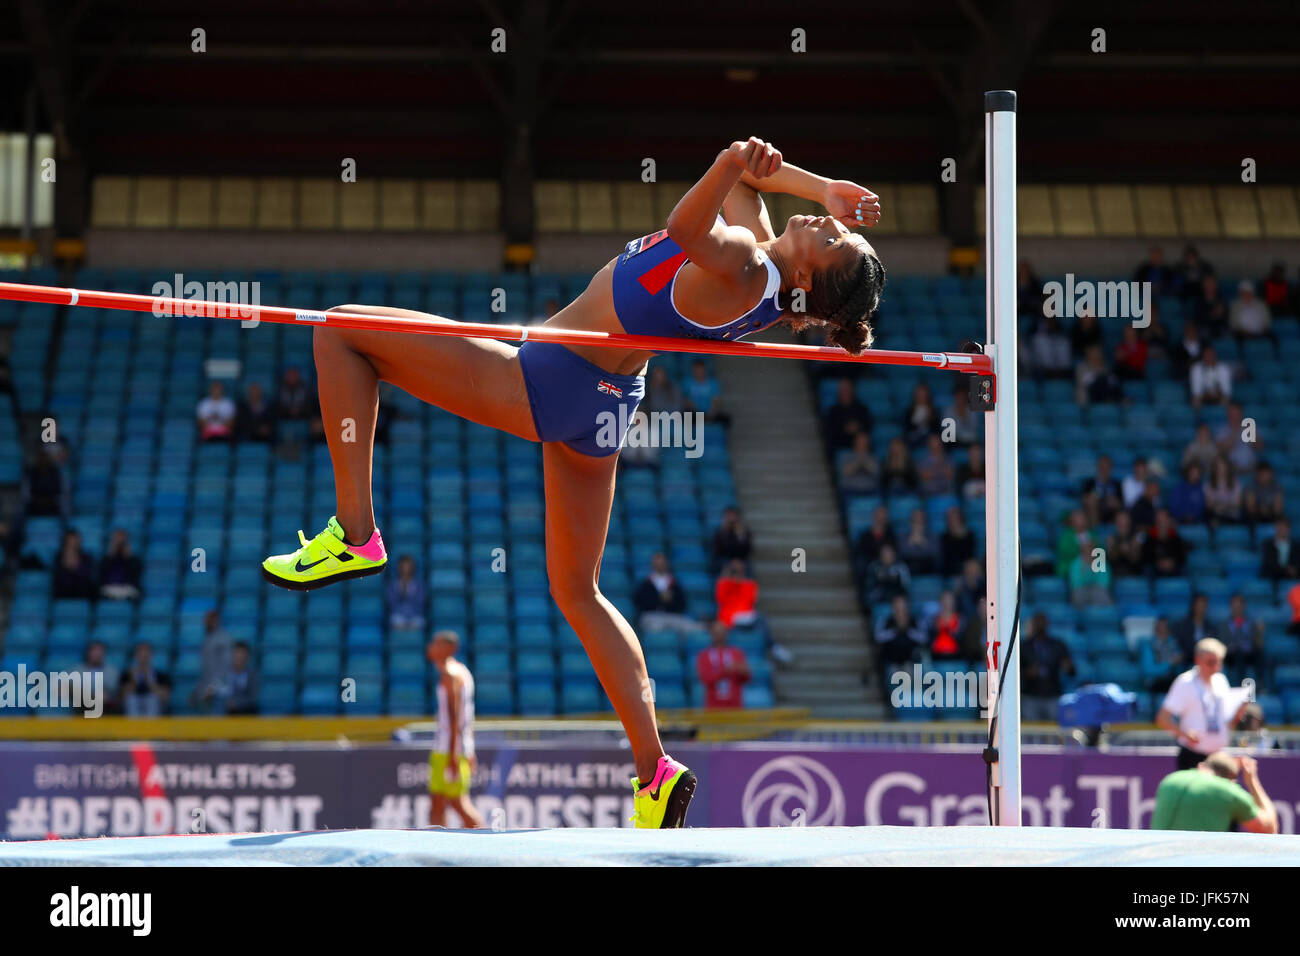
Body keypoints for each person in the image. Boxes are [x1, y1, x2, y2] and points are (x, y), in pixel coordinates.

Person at [259, 138, 885, 827]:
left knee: (340, 333)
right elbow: (749, 184)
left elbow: (710, 196)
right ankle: (653, 773)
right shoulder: (762, 269)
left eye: (833, 241)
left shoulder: (741, 263)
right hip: (608, 401)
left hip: (548, 380)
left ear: (809, 281)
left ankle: (354, 533)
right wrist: (820, 189)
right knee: (577, 592)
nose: (830, 225)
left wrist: (787, 177)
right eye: (835, 226)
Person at [1156, 638, 1250, 771]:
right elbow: (1162, 718)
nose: (1215, 668)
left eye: (1218, 662)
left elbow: (1226, 721)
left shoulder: (1221, 681)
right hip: (1192, 756)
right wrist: (1184, 734)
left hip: (1218, 756)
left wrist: (1238, 713)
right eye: (1210, 662)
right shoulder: (1185, 682)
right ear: (1197, 661)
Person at [427, 631, 483, 828]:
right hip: (450, 748)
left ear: (449, 649)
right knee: (437, 805)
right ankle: (435, 848)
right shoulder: (460, 672)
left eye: (437, 643)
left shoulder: (452, 676)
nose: (431, 647)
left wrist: (454, 754)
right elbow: (467, 719)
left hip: (449, 750)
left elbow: (455, 719)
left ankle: (484, 844)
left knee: (458, 804)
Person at [1150, 752, 1278, 834]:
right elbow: (1269, 829)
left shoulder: (1170, 780)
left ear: (1201, 766)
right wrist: (1252, 781)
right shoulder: (1229, 791)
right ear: (1232, 778)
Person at [1021, 613, 1075, 722]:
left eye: (1043, 622)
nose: (1040, 625)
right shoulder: (1023, 646)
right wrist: (1028, 672)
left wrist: (1068, 666)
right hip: (1031, 695)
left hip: (1052, 694)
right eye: (1037, 622)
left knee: (1054, 730)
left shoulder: (1057, 645)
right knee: (1032, 731)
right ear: (1033, 625)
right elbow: (1015, 673)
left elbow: (1071, 671)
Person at [633, 552, 703, 635]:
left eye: (662, 563)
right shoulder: (646, 583)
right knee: (655, 630)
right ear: (653, 564)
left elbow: (682, 604)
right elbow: (640, 602)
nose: (660, 565)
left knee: (693, 627)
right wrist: (659, 598)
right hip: (652, 616)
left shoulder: (674, 583)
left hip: (672, 616)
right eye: (657, 563)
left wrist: (670, 599)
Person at [191, 609, 234, 713]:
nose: (206, 622)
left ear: (216, 620)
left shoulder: (223, 638)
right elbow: (205, 669)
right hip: (206, 689)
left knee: (217, 723)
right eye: (205, 619)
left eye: (209, 619)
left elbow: (226, 665)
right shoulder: (207, 638)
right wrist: (198, 690)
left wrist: (213, 687)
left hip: (219, 689)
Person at [119, 643, 172, 717]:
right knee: (131, 700)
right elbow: (123, 698)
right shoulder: (127, 674)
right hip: (134, 703)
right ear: (136, 656)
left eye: (146, 656)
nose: (143, 659)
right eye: (141, 656)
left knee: (152, 700)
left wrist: (149, 679)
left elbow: (165, 698)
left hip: (153, 705)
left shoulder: (161, 675)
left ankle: (151, 727)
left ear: (151, 656)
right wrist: (134, 679)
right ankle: (133, 727)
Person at [823, 377, 873, 451]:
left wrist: (858, 427)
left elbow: (868, 425)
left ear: (852, 390)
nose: (845, 392)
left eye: (847, 389)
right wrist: (845, 429)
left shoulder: (861, 408)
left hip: (860, 443)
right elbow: (830, 429)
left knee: (863, 438)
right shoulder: (834, 411)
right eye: (843, 390)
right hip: (841, 444)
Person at [715, 558, 763, 631]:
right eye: (735, 571)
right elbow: (720, 599)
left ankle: (769, 642)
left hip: (745, 617)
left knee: (761, 619)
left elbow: (753, 600)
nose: (737, 574)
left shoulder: (750, 585)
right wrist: (727, 578)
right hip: (727, 618)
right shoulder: (724, 584)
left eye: (740, 571)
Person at [1172, 593, 1223, 660]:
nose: (1201, 608)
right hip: (1187, 660)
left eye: (1203, 605)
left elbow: (1214, 645)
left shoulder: (1210, 627)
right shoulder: (1183, 625)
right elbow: (1181, 646)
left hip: (1206, 660)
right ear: (1193, 606)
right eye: (1199, 605)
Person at [1223, 593, 1263, 676]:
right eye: (1235, 605)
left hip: (1249, 654)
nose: (1237, 608)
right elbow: (1221, 644)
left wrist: (1260, 633)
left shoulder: (1252, 624)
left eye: (1239, 605)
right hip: (1231, 656)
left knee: (1260, 654)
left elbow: (1259, 644)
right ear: (1231, 607)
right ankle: (1240, 685)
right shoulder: (1224, 625)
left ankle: (1261, 684)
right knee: (1238, 654)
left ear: (1244, 606)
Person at [98, 528, 143, 601]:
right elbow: (101, 575)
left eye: (122, 541)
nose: (119, 543)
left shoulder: (134, 560)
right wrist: (111, 554)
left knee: (135, 593)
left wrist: (128, 557)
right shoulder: (106, 559)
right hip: (109, 588)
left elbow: (136, 577)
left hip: (127, 588)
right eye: (117, 540)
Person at [385, 554, 427, 631]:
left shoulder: (419, 584)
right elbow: (391, 602)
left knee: (419, 622)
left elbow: (421, 601)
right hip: (398, 615)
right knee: (395, 620)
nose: (406, 568)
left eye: (408, 565)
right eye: (403, 565)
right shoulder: (393, 584)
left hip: (415, 615)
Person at [22, 446, 68, 517]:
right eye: (41, 458)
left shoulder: (55, 472)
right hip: (35, 503)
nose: (43, 460)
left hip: (52, 502)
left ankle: (67, 528)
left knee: (64, 510)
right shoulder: (32, 472)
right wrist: (36, 500)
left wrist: (52, 500)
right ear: (38, 459)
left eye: (45, 458)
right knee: (22, 511)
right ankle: (17, 528)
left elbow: (61, 491)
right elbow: (26, 492)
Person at [80, 640, 121, 716]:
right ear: (88, 653)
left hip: (105, 704)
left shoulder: (112, 671)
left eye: (100, 651)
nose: (97, 654)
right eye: (94, 651)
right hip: (82, 703)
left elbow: (111, 689)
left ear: (104, 654)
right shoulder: (78, 670)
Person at [52, 530, 96, 599]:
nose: (72, 544)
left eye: (75, 540)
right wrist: (65, 563)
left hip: (81, 592)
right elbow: (56, 578)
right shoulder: (58, 557)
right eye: (70, 541)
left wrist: (76, 565)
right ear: (65, 542)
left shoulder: (86, 558)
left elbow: (88, 577)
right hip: (63, 592)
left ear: (79, 541)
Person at [682, 359, 728, 425]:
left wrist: (711, 413)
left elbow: (716, 401)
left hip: (710, 413)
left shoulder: (713, 383)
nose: (699, 372)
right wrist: (697, 411)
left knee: (726, 419)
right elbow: (686, 400)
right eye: (696, 369)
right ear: (693, 370)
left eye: (701, 369)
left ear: (705, 370)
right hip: (694, 413)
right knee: (686, 417)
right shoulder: (687, 383)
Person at [1081, 454, 1123, 525]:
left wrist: (1115, 502)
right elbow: (1084, 499)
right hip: (1094, 511)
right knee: (1092, 501)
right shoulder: (1089, 483)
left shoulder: (1117, 484)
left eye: (1106, 466)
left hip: (1111, 513)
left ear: (1110, 468)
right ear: (1097, 467)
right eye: (1101, 466)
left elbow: (1121, 503)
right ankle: (1095, 532)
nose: (1103, 469)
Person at [1067, 539, 1111, 607]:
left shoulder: (1101, 563)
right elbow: (1075, 583)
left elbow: (1104, 582)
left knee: (1102, 594)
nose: (1089, 551)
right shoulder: (1075, 564)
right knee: (1077, 595)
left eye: (1091, 548)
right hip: (1081, 590)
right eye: (1086, 548)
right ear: (1082, 550)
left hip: (1097, 590)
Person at [1229, 280, 1274, 346]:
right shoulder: (1235, 306)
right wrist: (1245, 331)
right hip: (1243, 333)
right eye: (1244, 293)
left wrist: (1261, 329)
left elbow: (1267, 321)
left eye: (1249, 293)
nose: (1247, 295)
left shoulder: (1261, 304)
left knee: (1273, 337)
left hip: (1261, 332)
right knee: (1237, 337)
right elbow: (1234, 323)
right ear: (1240, 294)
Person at [1202, 454, 1243, 526]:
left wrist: (1224, 507)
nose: (1220, 469)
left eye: (1223, 466)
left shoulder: (1235, 483)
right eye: (1218, 467)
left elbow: (1237, 503)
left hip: (1231, 514)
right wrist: (1217, 507)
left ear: (1227, 467)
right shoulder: (1208, 484)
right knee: (1210, 514)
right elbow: (1208, 504)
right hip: (1215, 512)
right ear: (1214, 468)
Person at [710, 506, 753, 572]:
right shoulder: (720, 532)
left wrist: (740, 535)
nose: (731, 519)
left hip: (741, 560)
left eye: (733, 516)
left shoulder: (744, 532)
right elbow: (719, 550)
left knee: (745, 566)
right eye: (729, 516)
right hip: (725, 559)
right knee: (724, 566)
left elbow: (747, 549)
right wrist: (725, 533)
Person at [897, 508, 939, 576]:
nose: (918, 524)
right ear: (910, 522)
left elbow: (936, 556)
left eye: (921, 522)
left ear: (925, 523)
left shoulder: (933, 537)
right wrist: (911, 542)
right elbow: (900, 555)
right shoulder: (903, 537)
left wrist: (923, 542)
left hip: (929, 572)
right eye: (915, 521)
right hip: (908, 572)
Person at [1243, 461, 1285, 526]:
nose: (1264, 476)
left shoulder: (1277, 487)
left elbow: (1278, 508)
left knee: (1281, 519)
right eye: (1262, 474)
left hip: (1272, 515)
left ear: (1271, 474)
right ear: (1257, 474)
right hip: (1256, 516)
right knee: (1249, 518)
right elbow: (1250, 507)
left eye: (1266, 474)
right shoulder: (1251, 486)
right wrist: (1261, 509)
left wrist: (1267, 510)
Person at [939, 506, 976, 579]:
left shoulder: (969, 535)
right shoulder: (944, 537)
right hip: (950, 569)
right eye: (951, 519)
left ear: (961, 519)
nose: (954, 521)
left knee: (972, 567)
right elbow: (946, 559)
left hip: (968, 568)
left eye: (956, 519)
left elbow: (971, 555)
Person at [1105, 511, 1145, 576]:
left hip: (1134, 576)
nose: (1123, 525)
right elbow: (1111, 558)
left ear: (1130, 523)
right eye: (1120, 523)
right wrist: (1118, 549)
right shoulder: (1111, 539)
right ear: (1116, 524)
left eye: (1125, 523)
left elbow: (1136, 559)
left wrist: (1131, 549)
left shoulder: (1137, 537)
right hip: (1115, 577)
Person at [225, 641, 260, 715]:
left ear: (248, 657)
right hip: (224, 715)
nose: (239, 657)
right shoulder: (223, 674)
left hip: (245, 715)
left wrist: (236, 703)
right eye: (236, 653)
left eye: (242, 654)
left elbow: (253, 698)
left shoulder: (253, 675)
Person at [900, 383, 939, 448]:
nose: (922, 397)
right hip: (913, 441)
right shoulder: (909, 412)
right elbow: (907, 430)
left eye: (924, 395)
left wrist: (929, 420)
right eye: (920, 395)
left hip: (930, 440)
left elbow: (936, 430)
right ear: (915, 396)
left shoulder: (934, 412)